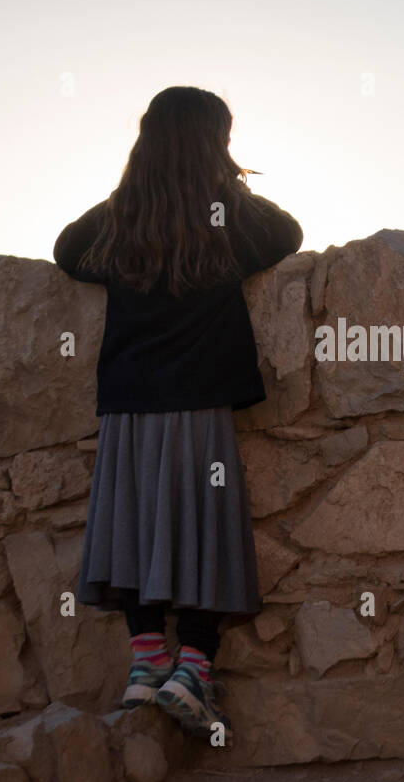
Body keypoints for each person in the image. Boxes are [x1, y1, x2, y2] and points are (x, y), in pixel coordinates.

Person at [53, 86, 302, 743]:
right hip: (199, 402)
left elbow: (65, 249)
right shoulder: (227, 217)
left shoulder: (119, 219)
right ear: (213, 144)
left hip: (130, 403)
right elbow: (287, 232)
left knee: (135, 525)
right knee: (202, 528)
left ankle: (145, 663)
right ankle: (192, 668)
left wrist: (129, 194)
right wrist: (227, 186)